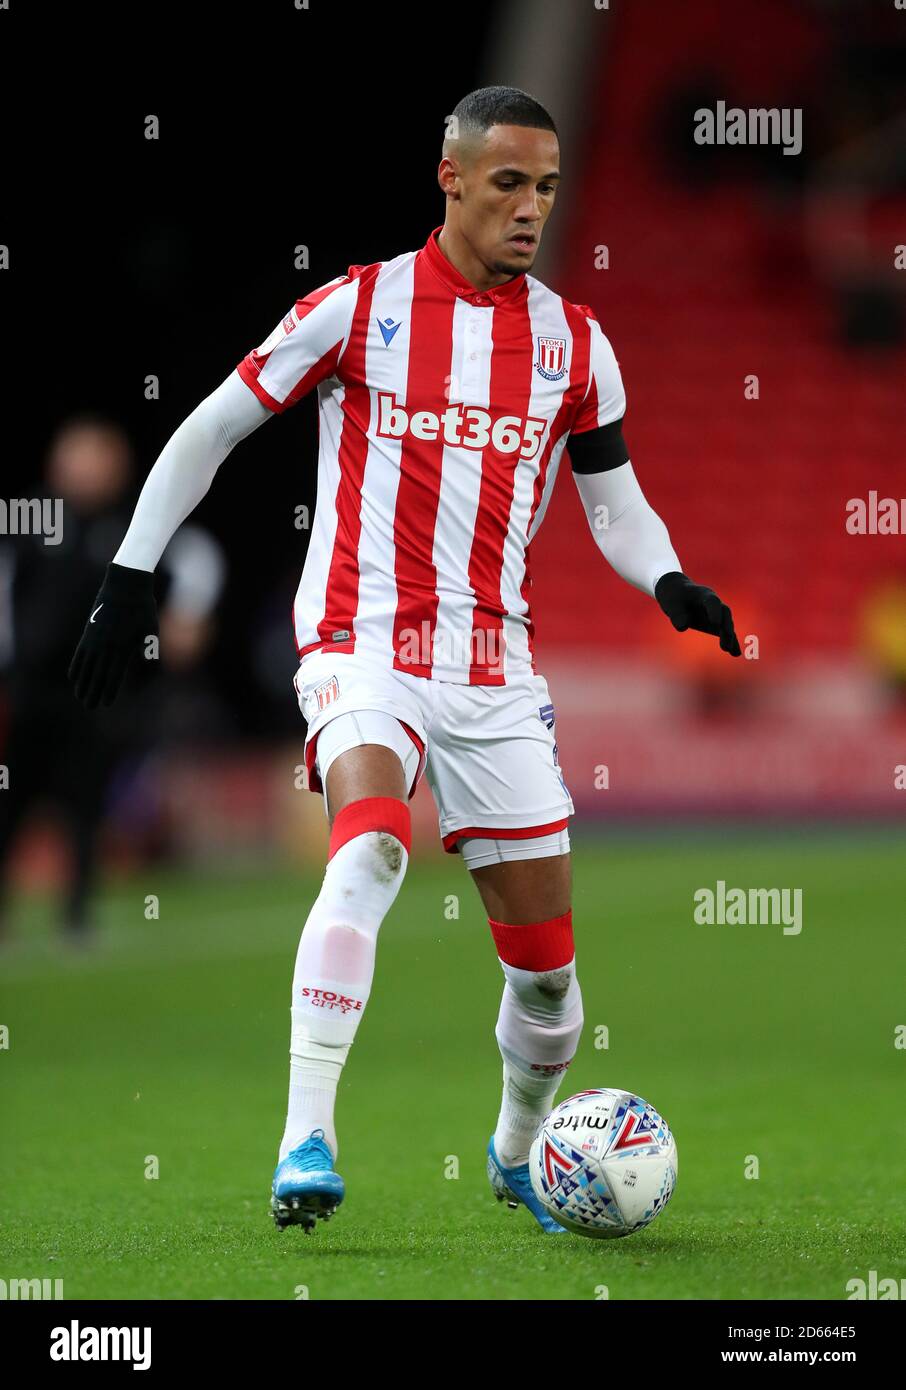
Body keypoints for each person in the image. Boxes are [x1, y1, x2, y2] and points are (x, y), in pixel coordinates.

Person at [69, 86, 739, 1233]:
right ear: (452, 178)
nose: (532, 208)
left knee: (548, 982)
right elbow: (213, 426)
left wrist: (667, 577)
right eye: (509, 184)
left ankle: (518, 1151)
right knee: (372, 844)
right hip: (361, 641)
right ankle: (306, 1135)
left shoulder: (576, 344)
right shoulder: (358, 307)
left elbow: (616, 506)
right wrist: (129, 574)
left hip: (493, 670)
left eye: (548, 188)